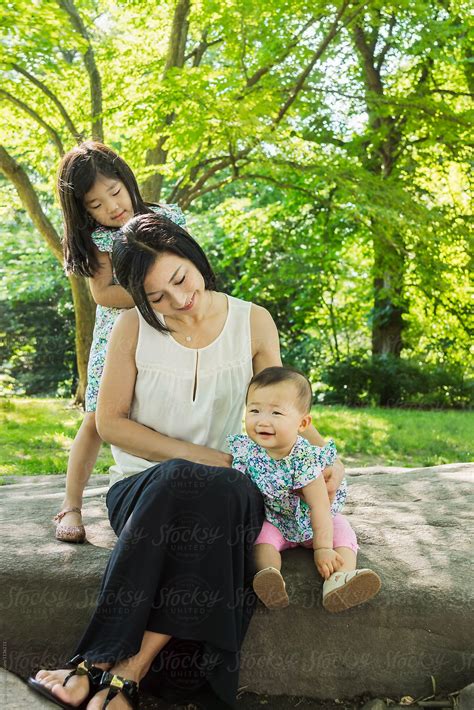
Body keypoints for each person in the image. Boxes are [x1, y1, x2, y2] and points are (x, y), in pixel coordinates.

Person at [29, 213, 346, 709]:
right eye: (156, 296)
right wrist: (203, 459)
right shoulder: (131, 329)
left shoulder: (253, 319)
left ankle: (108, 667)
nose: (177, 301)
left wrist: (327, 457)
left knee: (217, 498)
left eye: (180, 279)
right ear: (137, 297)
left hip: (234, 488)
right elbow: (110, 423)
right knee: (184, 481)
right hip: (143, 489)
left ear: (193, 255)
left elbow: (281, 404)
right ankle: (118, 676)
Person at [53, 141, 186, 543]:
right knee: (98, 417)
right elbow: (104, 294)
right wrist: (155, 291)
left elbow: (189, 264)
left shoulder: (165, 217)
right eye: (96, 204)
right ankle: (71, 505)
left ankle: (179, 490)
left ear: (127, 181)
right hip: (118, 336)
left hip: (174, 327)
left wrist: (174, 297)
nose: (111, 207)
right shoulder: (100, 240)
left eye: (114, 192)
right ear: (84, 212)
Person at [227, 366, 381, 613]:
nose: (263, 420)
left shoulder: (305, 459)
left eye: (276, 412)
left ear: (303, 423)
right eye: (254, 410)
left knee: (342, 534)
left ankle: (339, 580)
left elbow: (319, 506)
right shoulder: (247, 451)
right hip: (275, 519)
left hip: (313, 521)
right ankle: (269, 577)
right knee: (261, 540)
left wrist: (323, 548)